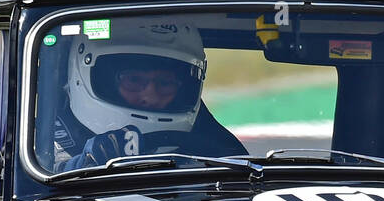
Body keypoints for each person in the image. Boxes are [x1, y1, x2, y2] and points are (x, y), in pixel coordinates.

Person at [50, 18, 245, 170]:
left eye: (165, 83)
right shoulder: (43, 140)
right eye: (134, 80)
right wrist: (84, 166)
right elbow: (44, 186)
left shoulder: (210, 139)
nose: (151, 97)